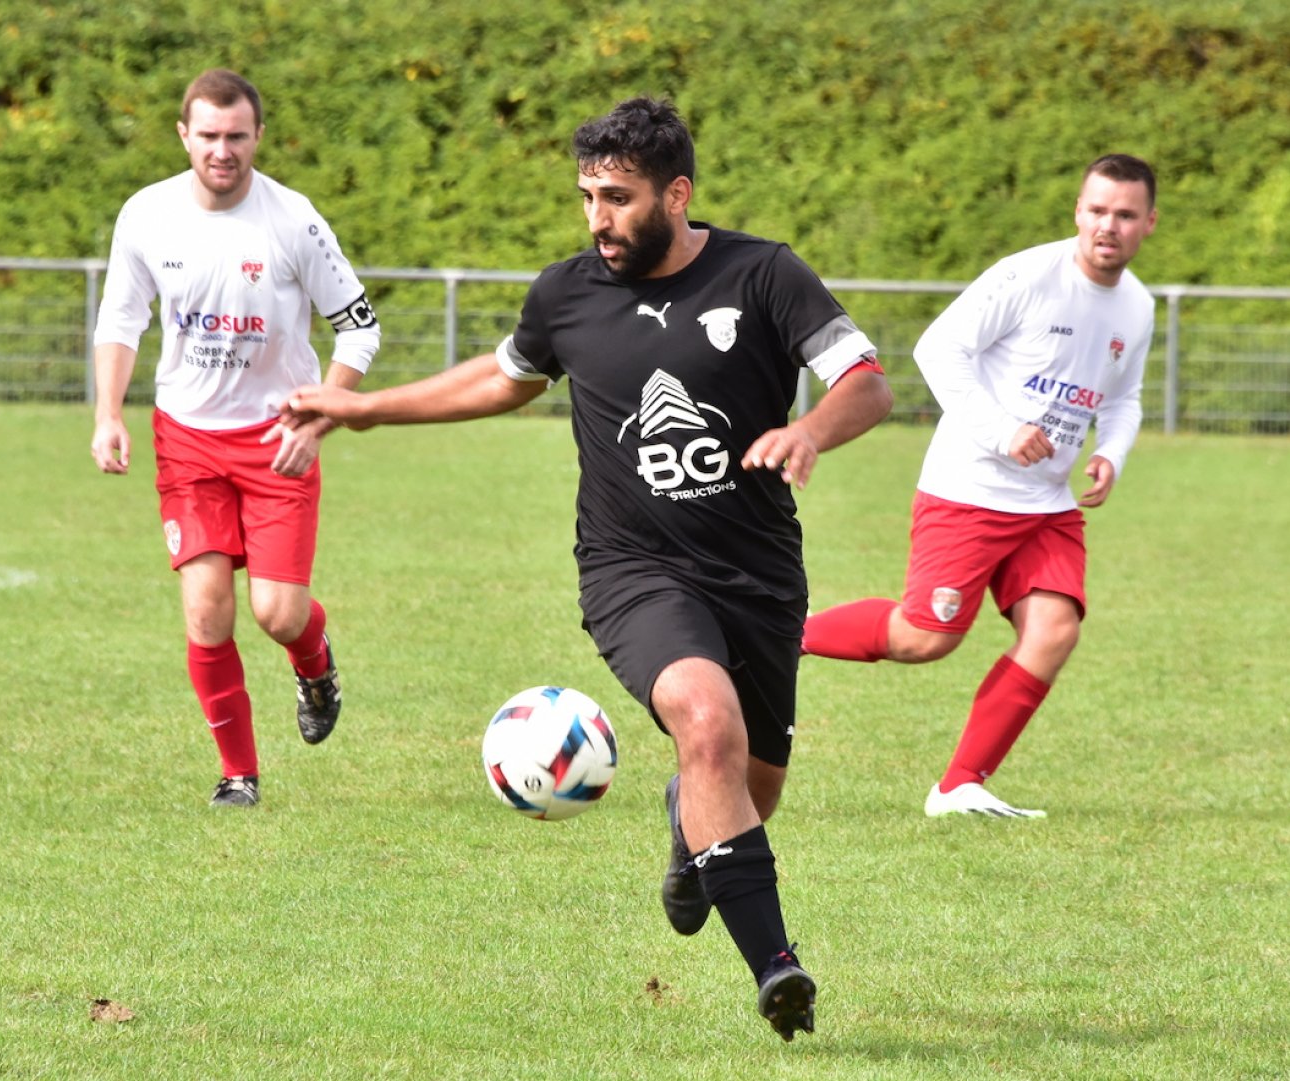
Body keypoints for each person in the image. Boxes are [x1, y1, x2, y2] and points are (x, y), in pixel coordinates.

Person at [281, 97, 892, 1040]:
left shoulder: (764, 273)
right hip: (631, 568)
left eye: (618, 197)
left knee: (748, 784)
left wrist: (809, 429)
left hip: (759, 573)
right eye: (587, 196)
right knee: (706, 720)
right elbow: (503, 377)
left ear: (676, 195)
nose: (598, 218)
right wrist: (364, 408)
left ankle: (690, 828)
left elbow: (867, 383)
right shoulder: (565, 293)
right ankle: (778, 966)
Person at [803, 154, 1159, 819]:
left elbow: (1123, 398)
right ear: (1078, 211)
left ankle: (959, 786)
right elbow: (936, 349)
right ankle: (778, 633)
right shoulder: (1028, 276)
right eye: (1096, 210)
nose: (1108, 226)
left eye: (1124, 214)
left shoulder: (1137, 306)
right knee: (925, 638)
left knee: (1054, 630)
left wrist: (1110, 452)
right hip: (969, 489)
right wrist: (1002, 431)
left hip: (1047, 504)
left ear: (1148, 223)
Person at [90, 69, 381, 808]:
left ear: (258, 137)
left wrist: (319, 416)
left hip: (279, 440)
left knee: (278, 613)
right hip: (187, 440)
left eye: (237, 136)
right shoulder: (147, 215)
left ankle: (314, 665)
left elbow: (360, 327)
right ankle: (238, 774)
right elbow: (121, 319)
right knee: (206, 609)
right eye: (209, 136)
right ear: (184, 135)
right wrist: (108, 413)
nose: (222, 150)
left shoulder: (293, 220)